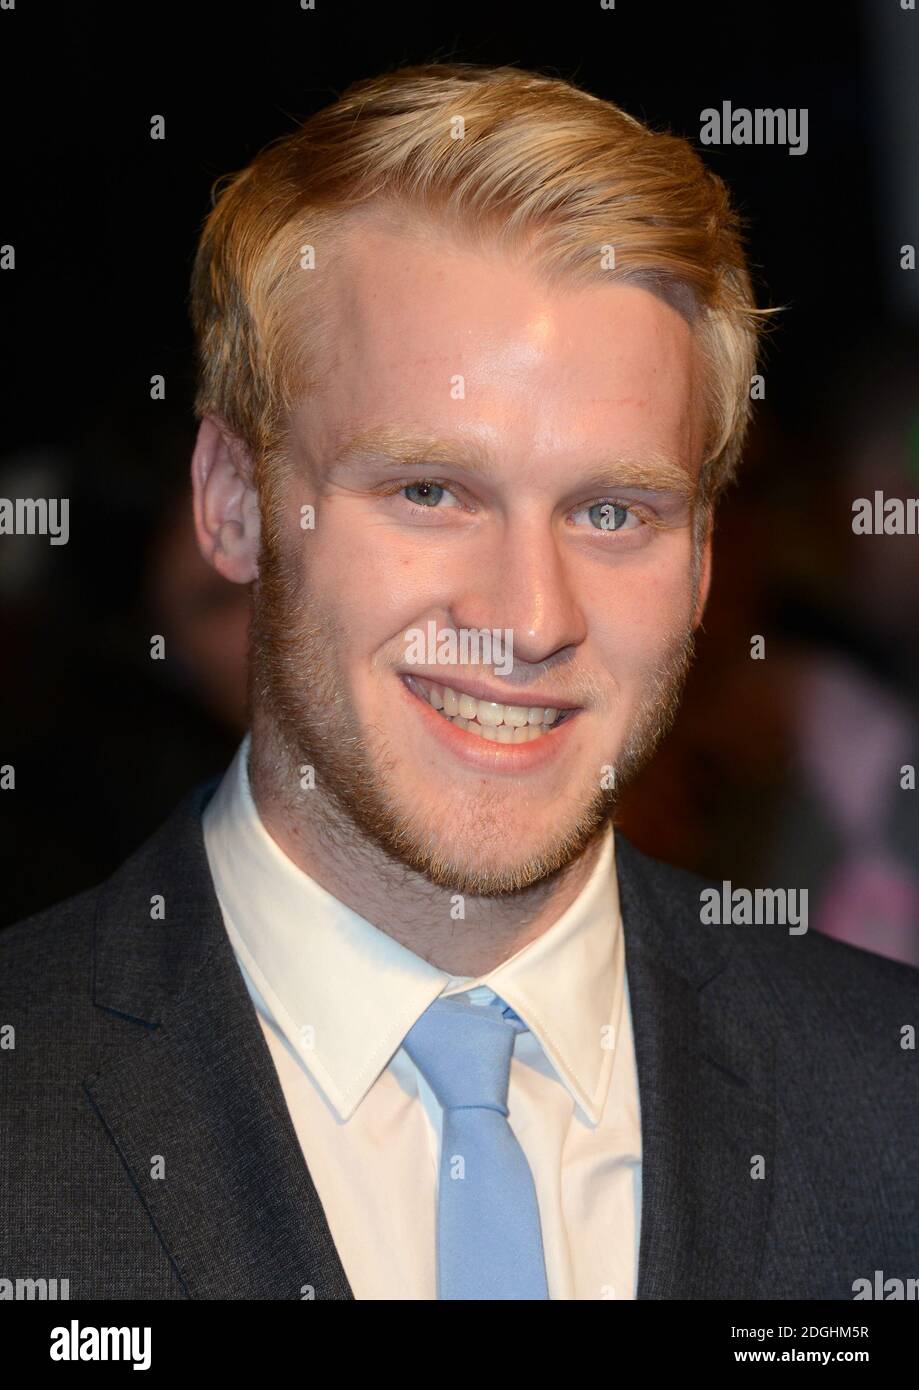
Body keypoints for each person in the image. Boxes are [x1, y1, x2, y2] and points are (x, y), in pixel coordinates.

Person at [2, 62, 917, 1302]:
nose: (528, 618)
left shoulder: (888, 1111)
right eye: (429, 492)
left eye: (611, 510)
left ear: (706, 555)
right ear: (230, 502)